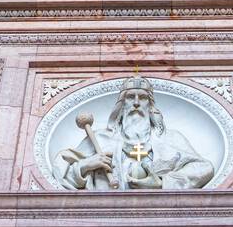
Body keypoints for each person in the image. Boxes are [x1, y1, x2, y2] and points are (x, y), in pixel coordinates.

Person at [56, 77, 214, 190]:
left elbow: (203, 168)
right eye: (131, 97)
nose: (137, 103)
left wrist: (163, 183)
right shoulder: (100, 139)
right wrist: (85, 165)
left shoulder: (171, 138)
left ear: (150, 105)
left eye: (143, 98)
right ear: (122, 105)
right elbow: (62, 176)